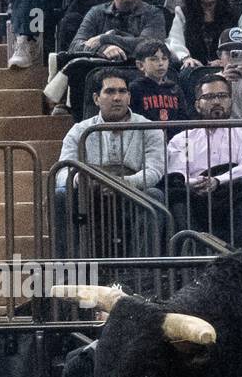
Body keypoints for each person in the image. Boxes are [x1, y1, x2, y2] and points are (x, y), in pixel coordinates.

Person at [54, 68, 167, 256]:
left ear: (129, 97)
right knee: (60, 196)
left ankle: (142, 275)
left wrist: (123, 183)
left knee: (155, 196)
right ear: (96, 98)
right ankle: (70, 272)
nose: (117, 97)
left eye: (122, 92)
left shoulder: (150, 127)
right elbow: (62, 171)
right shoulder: (79, 129)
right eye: (110, 91)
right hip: (90, 191)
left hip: (133, 190)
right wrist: (80, 180)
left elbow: (154, 171)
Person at [165, 74, 242, 247]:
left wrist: (217, 181)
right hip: (196, 195)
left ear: (230, 101)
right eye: (209, 97)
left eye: (222, 96)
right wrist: (196, 183)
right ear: (197, 105)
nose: (216, 101)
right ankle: (193, 255)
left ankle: (238, 257)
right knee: (176, 194)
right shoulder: (184, 139)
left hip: (233, 192)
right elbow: (178, 172)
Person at [169, 0, 242, 68]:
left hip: (231, 71)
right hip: (195, 72)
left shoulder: (241, 13)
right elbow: (175, 42)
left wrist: (227, 62)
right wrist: (186, 58)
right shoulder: (183, 13)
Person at [71, 0, 167, 60]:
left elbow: (150, 45)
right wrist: (103, 49)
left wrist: (105, 39)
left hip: (138, 73)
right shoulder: (96, 13)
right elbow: (75, 46)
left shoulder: (154, 14)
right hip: (100, 70)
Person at [130, 38, 185, 128]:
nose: (160, 63)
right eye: (154, 59)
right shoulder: (135, 89)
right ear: (140, 65)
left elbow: (183, 119)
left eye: (164, 59)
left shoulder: (175, 89)